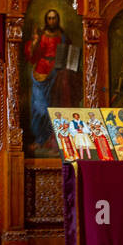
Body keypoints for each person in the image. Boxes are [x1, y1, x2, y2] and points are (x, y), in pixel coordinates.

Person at [24, 9, 73, 149]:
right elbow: (31, 56)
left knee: (56, 105)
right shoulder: (41, 36)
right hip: (41, 71)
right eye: (49, 18)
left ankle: (53, 141)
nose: (52, 21)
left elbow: (70, 55)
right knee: (40, 108)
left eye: (54, 18)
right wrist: (34, 42)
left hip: (57, 73)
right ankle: (39, 138)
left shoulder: (63, 36)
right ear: (47, 20)